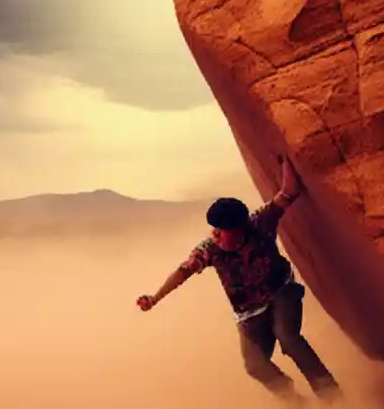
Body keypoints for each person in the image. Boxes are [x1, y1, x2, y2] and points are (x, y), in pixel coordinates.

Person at [136, 154, 341, 404]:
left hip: (280, 291)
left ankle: (331, 395)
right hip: (249, 312)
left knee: (288, 336)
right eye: (218, 231)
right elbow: (183, 272)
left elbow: (288, 193)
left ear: (241, 227)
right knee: (255, 366)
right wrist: (155, 298)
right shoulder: (210, 249)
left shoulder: (259, 223)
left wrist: (285, 157)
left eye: (226, 231)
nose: (219, 236)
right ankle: (296, 402)